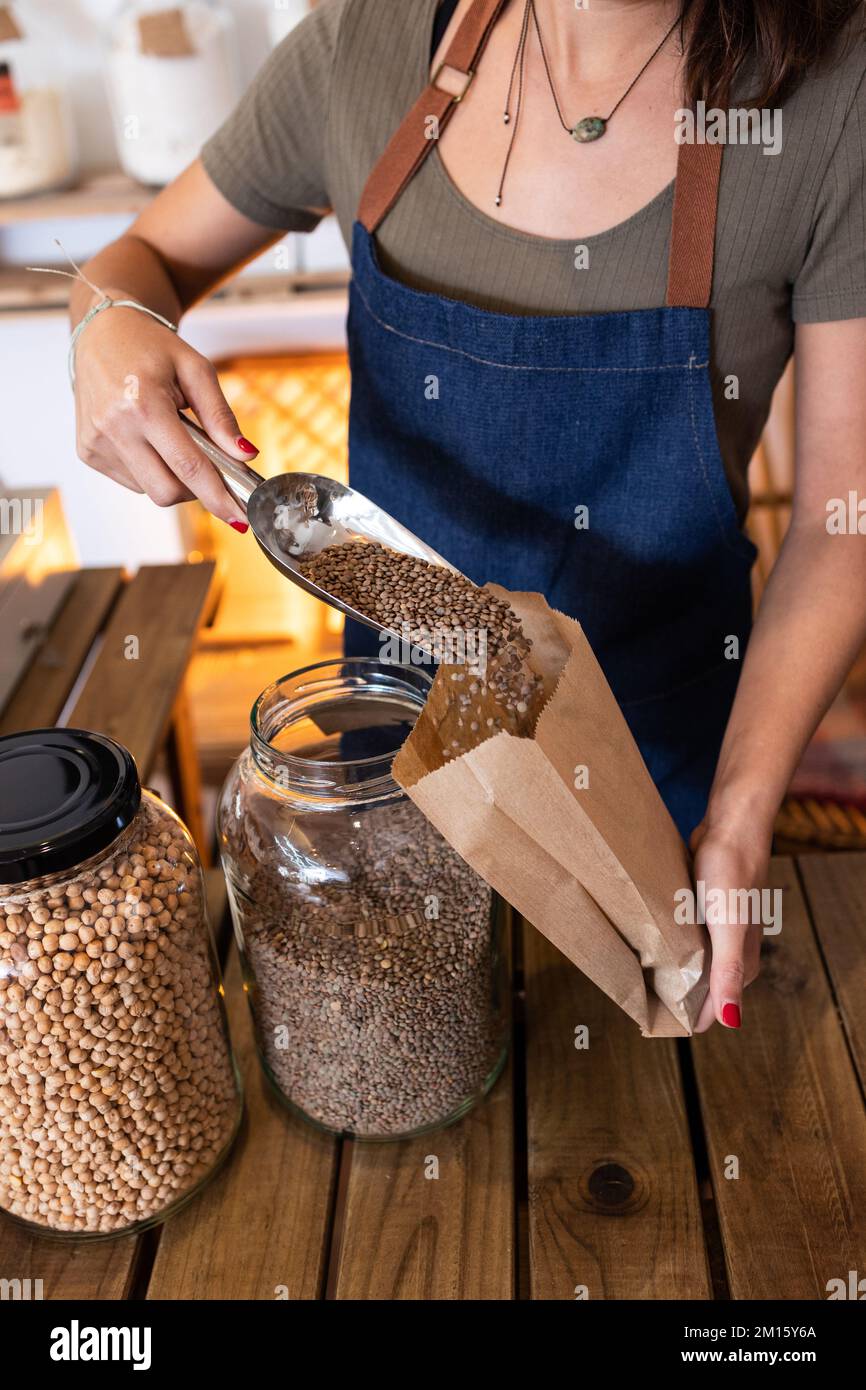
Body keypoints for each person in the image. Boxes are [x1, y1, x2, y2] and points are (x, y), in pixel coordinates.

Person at [69, 0, 866, 1031]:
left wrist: (743, 810)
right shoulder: (366, 46)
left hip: (656, 789)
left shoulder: (833, 95)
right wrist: (106, 327)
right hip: (392, 770)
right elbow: (137, 264)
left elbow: (840, 517)